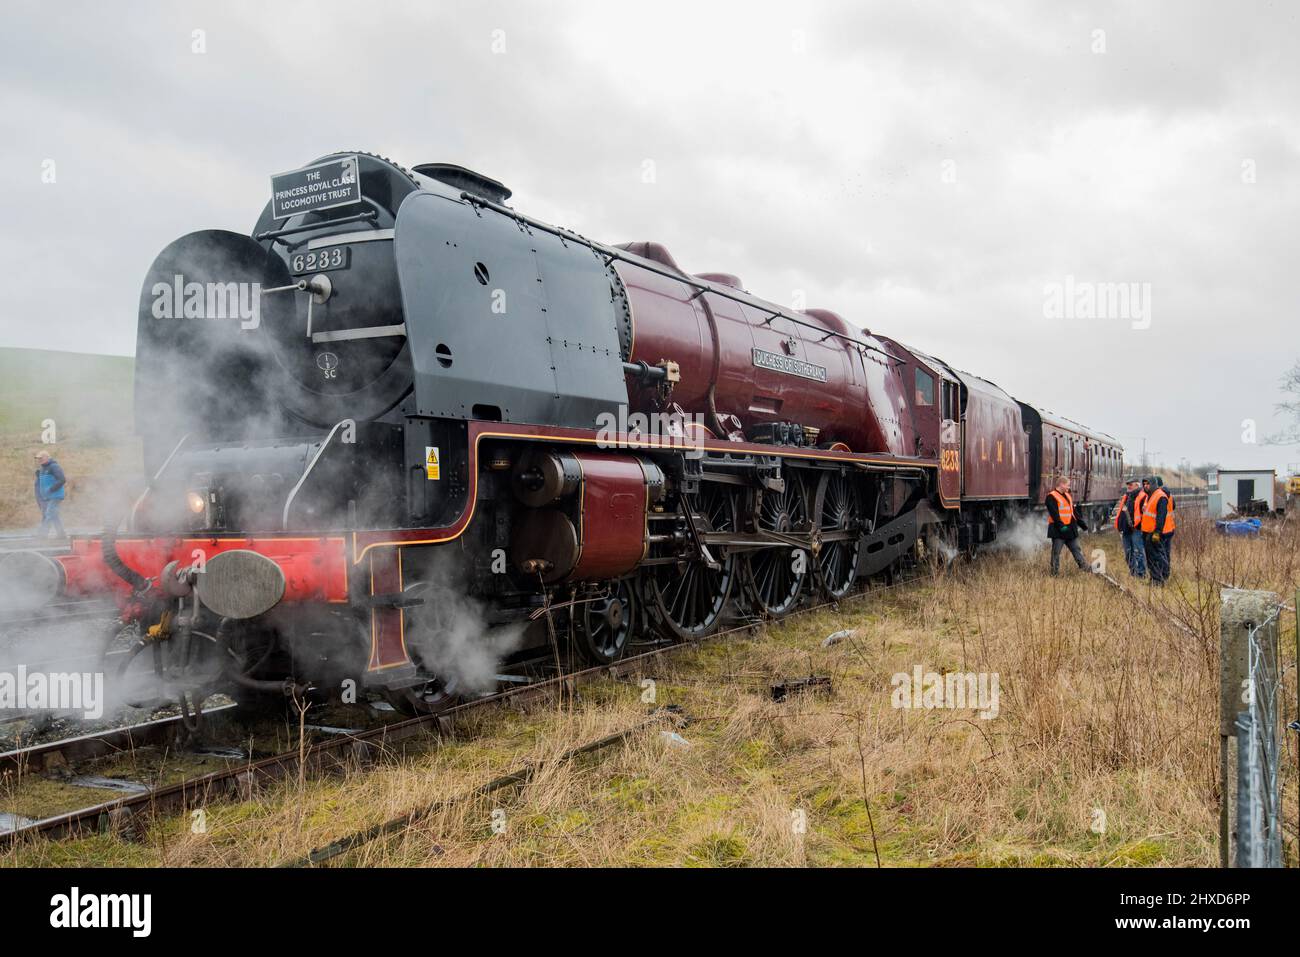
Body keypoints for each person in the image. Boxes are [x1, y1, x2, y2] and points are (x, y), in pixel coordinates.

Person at [1046, 477, 1090, 575]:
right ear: (1061, 484)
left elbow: (1074, 513)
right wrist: (1061, 526)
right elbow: (1054, 514)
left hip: (1070, 530)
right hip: (1059, 531)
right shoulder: (1051, 497)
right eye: (1068, 485)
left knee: (1076, 549)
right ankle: (1054, 573)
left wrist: (1083, 526)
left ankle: (1085, 568)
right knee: (1056, 553)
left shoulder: (1068, 496)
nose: (1069, 487)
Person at [1140, 474, 1176, 585]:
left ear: (1153, 484)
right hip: (1147, 532)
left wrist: (1157, 532)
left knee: (1158, 556)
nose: (1146, 486)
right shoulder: (1149, 496)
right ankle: (1155, 578)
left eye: (1148, 484)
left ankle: (1160, 578)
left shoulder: (1160, 496)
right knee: (1151, 557)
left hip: (1155, 532)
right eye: (1144, 484)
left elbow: (1161, 516)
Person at [1114, 477, 1146, 578]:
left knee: (1138, 552)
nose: (1128, 486)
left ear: (1137, 485)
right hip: (1126, 529)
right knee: (1128, 553)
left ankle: (1141, 575)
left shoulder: (1142, 496)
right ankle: (1133, 573)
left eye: (1130, 485)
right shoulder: (1126, 496)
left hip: (1137, 529)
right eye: (1127, 485)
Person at [33, 449, 67, 540]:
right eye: (38, 458)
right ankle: (61, 534)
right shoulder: (42, 469)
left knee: (48, 514)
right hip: (48, 497)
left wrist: (51, 489)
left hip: (56, 496)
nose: (39, 460)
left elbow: (62, 480)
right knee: (54, 515)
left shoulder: (54, 466)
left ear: (47, 457)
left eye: (41, 458)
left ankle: (43, 535)